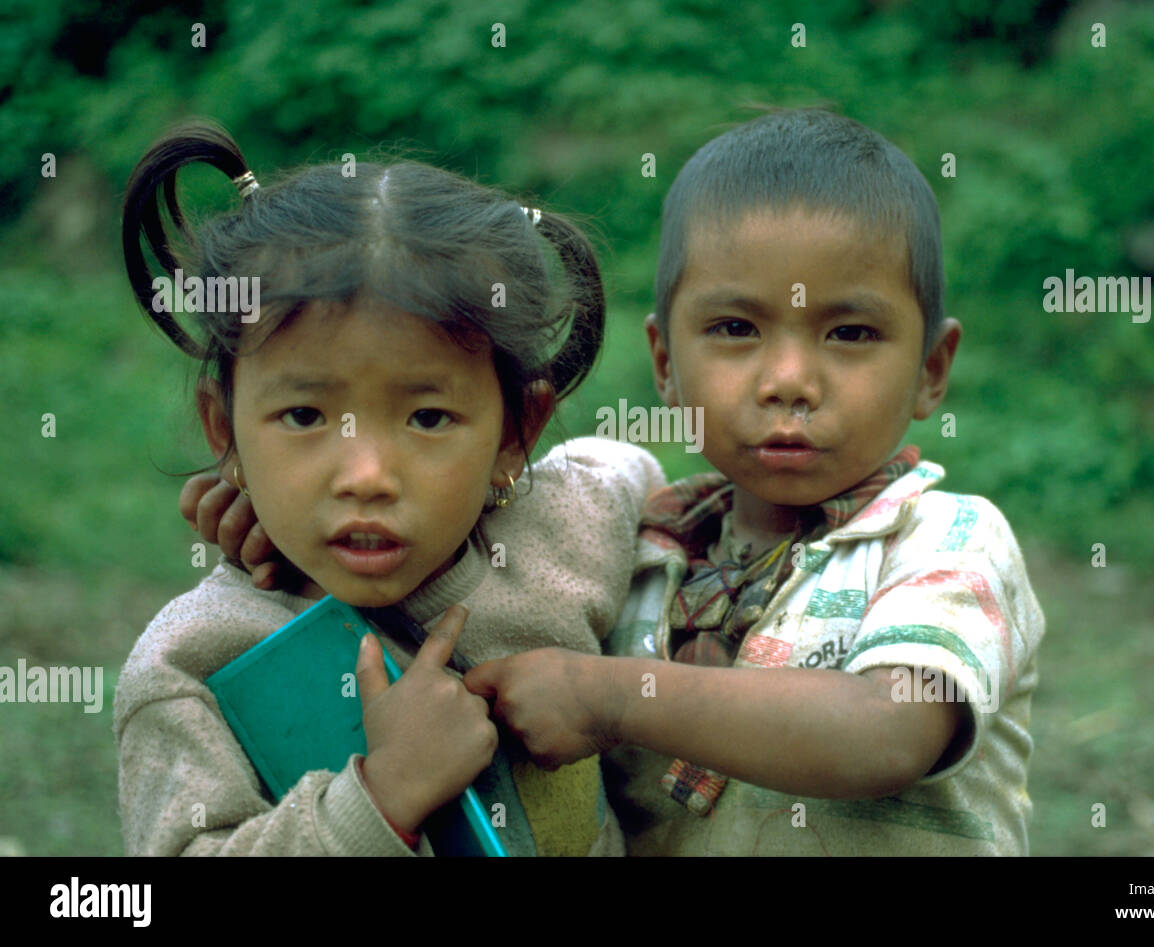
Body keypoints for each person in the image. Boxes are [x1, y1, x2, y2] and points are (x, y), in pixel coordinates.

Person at [460, 108, 1048, 855]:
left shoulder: (947, 540)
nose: (789, 380)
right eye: (736, 328)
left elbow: (891, 729)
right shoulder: (639, 553)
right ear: (666, 363)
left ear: (931, 368)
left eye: (850, 333)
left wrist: (608, 696)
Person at [115, 121, 663, 856]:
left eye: (428, 416)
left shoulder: (569, 523)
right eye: (304, 415)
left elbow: (634, 475)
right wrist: (377, 800)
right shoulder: (197, 663)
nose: (366, 475)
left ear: (516, 432)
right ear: (225, 430)